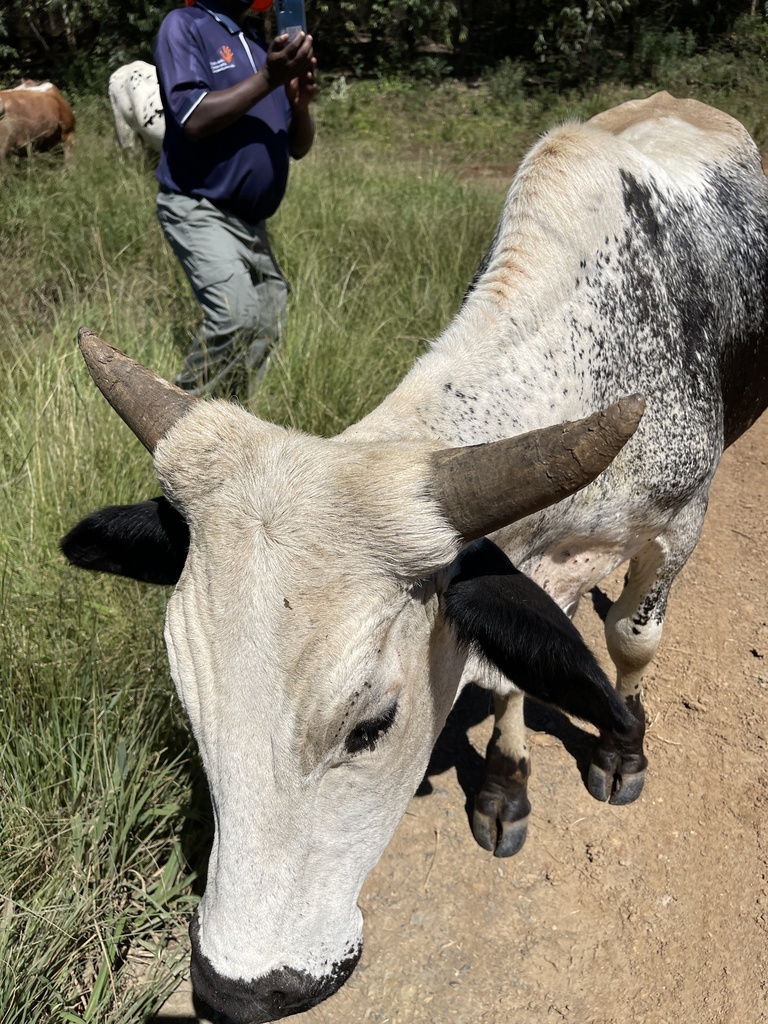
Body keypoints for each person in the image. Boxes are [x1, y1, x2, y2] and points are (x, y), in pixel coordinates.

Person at [154, 0, 317, 398]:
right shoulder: (185, 25)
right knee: (236, 316)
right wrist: (268, 77)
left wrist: (298, 102)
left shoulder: (261, 44)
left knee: (265, 322)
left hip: (252, 225)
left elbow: (298, 146)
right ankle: (176, 432)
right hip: (201, 207)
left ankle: (227, 432)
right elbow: (192, 118)